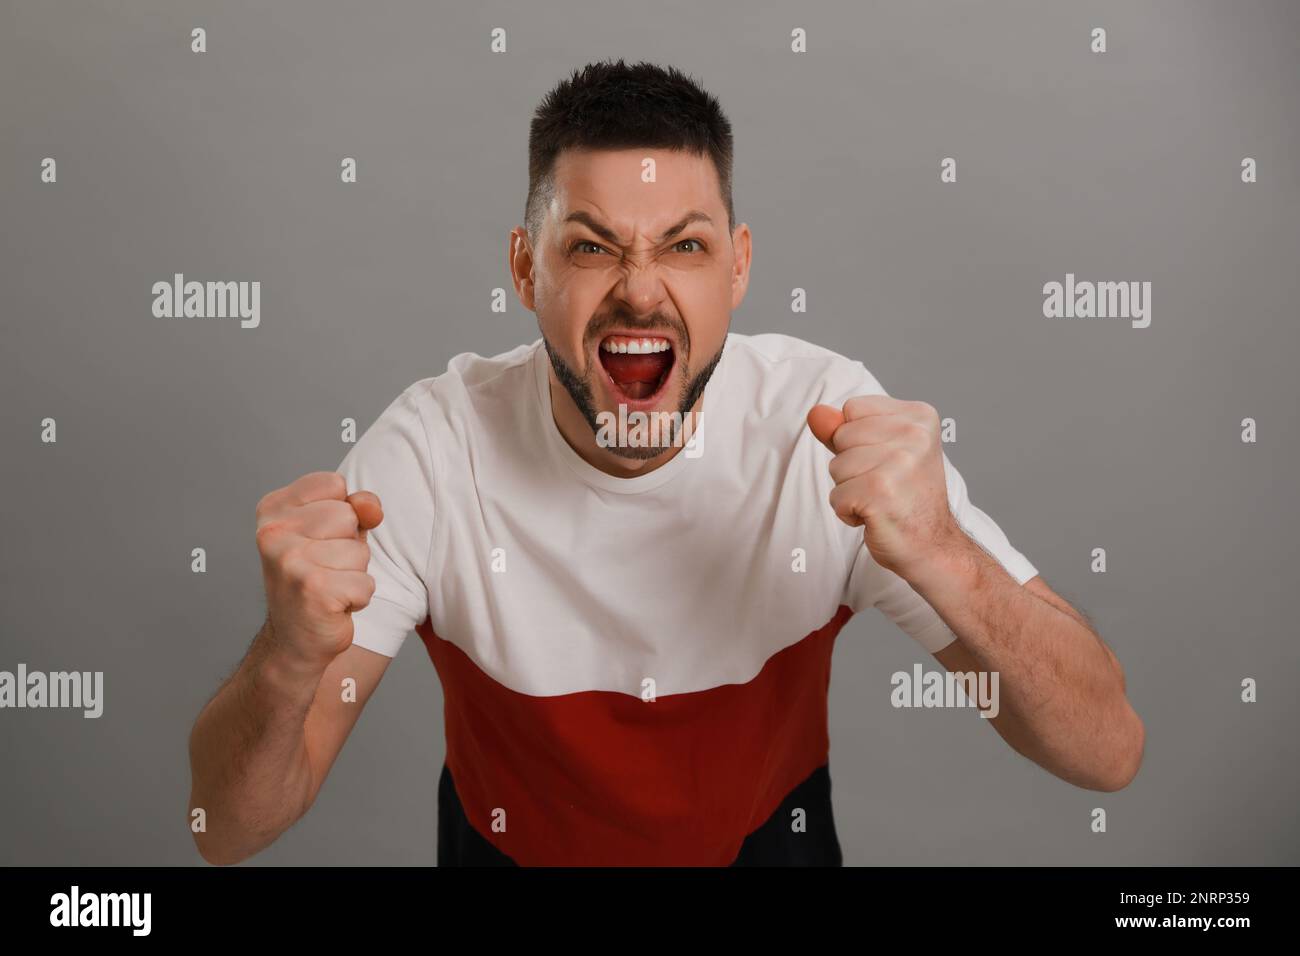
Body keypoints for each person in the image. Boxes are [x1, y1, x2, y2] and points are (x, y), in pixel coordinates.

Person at [188, 59, 1144, 867]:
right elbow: (225, 829)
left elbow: (1107, 752)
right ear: (526, 271)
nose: (640, 289)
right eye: (592, 247)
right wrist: (287, 658)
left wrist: (942, 551)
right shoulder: (431, 453)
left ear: (736, 268)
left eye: (683, 246)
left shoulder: (823, 425)